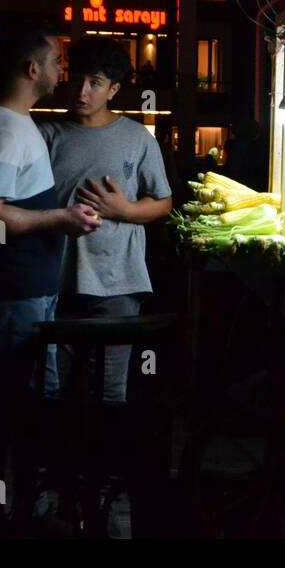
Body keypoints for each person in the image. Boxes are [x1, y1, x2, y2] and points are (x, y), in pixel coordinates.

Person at [0, 24, 101, 538]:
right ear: (32, 69)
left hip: (23, 292)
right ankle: (7, 515)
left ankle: (6, 511)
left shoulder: (6, 122)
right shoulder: (4, 130)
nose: (64, 71)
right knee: (16, 407)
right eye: (57, 61)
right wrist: (58, 220)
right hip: (15, 296)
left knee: (17, 405)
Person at [38, 36, 172, 404]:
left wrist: (125, 211)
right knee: (59, 389)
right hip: (57, 280)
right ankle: (64, 460)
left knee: (110, 390)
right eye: (77, 78)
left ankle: (105, 460)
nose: (82, 91)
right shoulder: (46, 135)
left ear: (113, 89)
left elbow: (163, 202)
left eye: (95, 83)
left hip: (118, 283)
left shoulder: (136, 137)